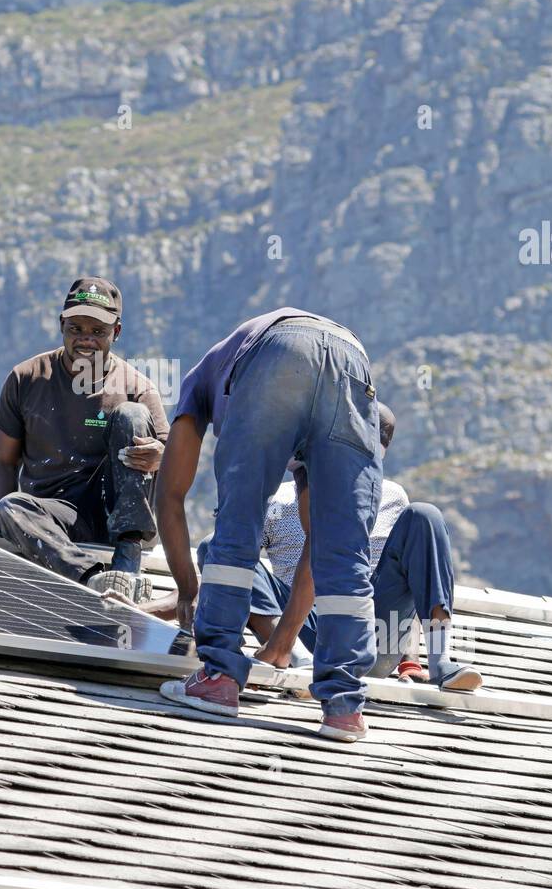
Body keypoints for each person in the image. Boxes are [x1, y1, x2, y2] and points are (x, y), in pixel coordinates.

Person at [154, 308, 382, 741]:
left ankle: (219, 679)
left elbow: (170, 494)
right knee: (345, 544)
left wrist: (188, 589)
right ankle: (344, 706)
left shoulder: (203, 377)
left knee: (239, 521)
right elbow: (323, 542)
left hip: (278, 349)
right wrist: (281, 642)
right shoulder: (309, 440)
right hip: (353, 359)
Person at [228, 403, 482, 696]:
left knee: (425, 515)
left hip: (369, 634)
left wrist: (409, 663)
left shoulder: (393, 495)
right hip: (302, 630)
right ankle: (292, 655)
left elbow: (409, 582)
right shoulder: (278, 499)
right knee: (217, 547)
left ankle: (440, 661)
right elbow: (239, 568)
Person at [0, 277, 169, 604]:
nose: (86, 340)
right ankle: (93, 578)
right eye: (76, 329)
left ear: (117, 332)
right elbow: (3, 461)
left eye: (98, 332)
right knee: (10, 507)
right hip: (53, 518)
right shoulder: (27, 378)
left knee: (132, 415)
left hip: (115, 516)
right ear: (61, 325)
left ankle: (127, 563)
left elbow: (174, 457)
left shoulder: (136, 386)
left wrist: (160, 457)